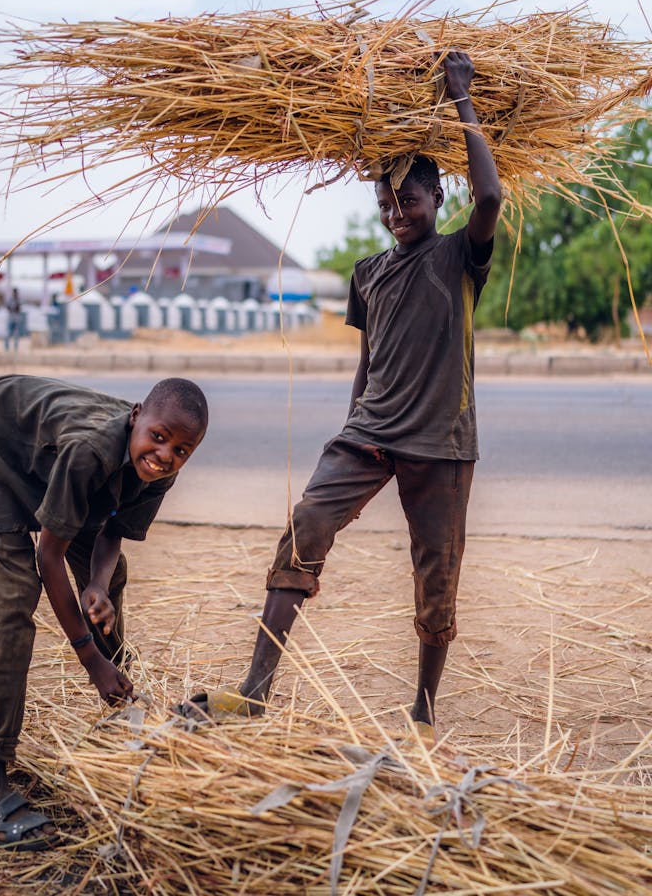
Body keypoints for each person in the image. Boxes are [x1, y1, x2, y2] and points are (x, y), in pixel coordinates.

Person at [184, 50, 501, 739]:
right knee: (303, 532)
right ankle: (256, 691)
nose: (396, 214)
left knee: (436, 579)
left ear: (436, 200)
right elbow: (369, 357)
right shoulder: (368, 273)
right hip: (369, 434)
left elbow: (493, 197)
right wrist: (352, 421)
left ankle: (422, 708)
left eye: (409, 201)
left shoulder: (459, 256)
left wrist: (459, 98)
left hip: (442, 447)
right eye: (386, 204)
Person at [0, 374, 208, 850]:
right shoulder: (93, 452)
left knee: (109, 574)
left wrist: (97, 585)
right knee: (15, 596)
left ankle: (122, 709)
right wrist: (89, 657)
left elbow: (112, 529)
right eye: (159, 439)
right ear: (137, 415)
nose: (165, 456)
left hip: (48, 461)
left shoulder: (162, 465)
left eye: (181, 451)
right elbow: (48, 557)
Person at [5, 287, 22, 352]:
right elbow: (8, 307)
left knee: (16, 334)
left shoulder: (18, 300)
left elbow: (19, 308)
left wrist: (14, 308)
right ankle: (7, 347)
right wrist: (12, 308)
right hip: (11, 318)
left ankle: (15, 348)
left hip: (16, 319)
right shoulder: (10, 299)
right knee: (8, 333)